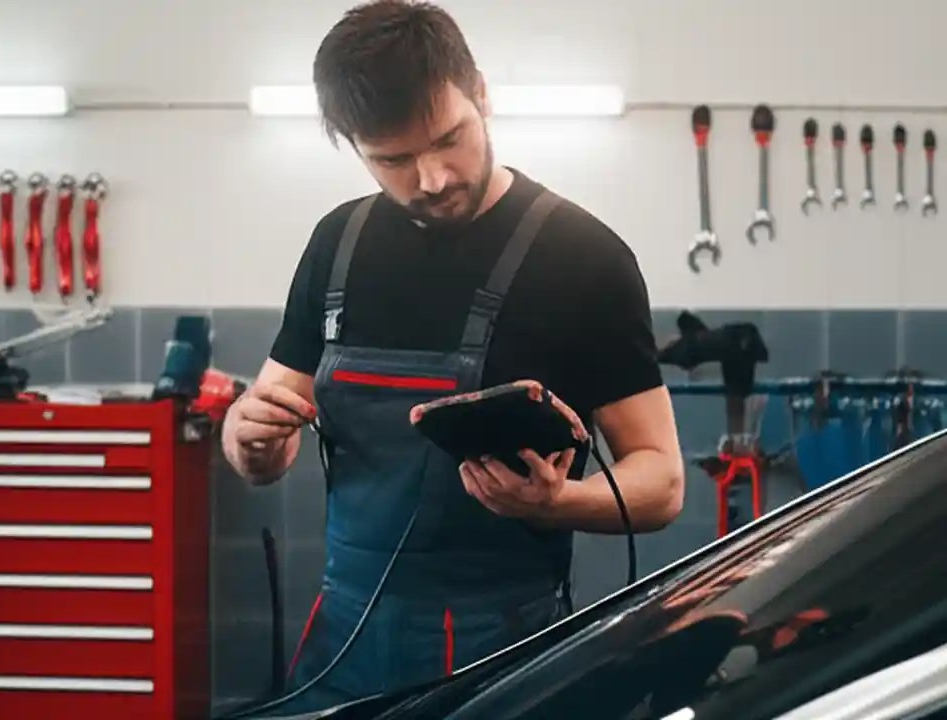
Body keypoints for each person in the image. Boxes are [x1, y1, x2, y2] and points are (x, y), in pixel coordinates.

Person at [221, 0, 685, 712]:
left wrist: (561, 503)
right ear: (354, 147)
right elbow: (267, 435)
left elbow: (661, 481)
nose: (433, 178)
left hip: (499, 643)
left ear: (482, 95)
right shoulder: (337, 245)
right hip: (344, 633)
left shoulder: (585, 259)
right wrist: (246, 438)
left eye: (449, 139)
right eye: (394, 160)